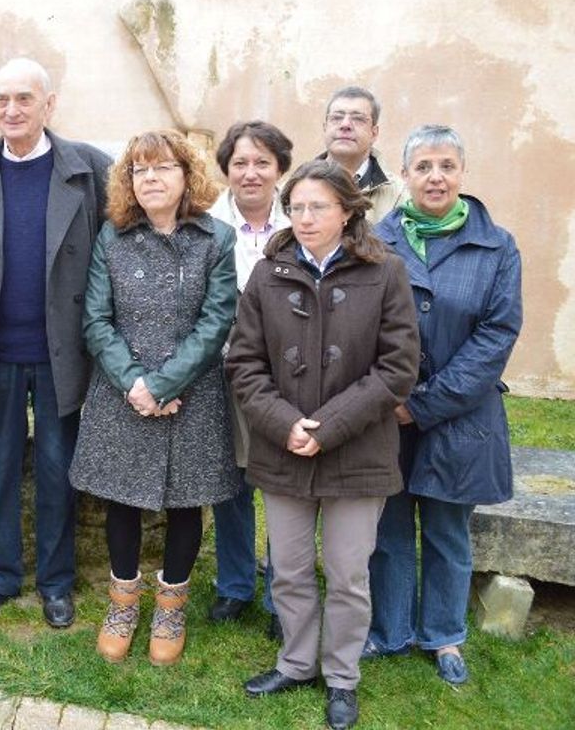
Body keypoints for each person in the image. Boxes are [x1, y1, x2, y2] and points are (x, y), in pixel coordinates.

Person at [226, 160, 420, 730]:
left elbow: (397, 368)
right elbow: (244, 362)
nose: (305, 218)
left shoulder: (386, 272)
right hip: (282, 448)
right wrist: (285, 423)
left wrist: (328, 427)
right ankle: (295, 663)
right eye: (298, 208)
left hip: (356, 451)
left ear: (347, 211)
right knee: (286, 568)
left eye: (318, 207)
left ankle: (341, 677)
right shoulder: (268, 273)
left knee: (346, 573)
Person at [0, 57, 111, 628]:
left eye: (23, 99)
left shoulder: (89, 168)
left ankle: (56, 581)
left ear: (49, 104)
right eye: (1, 99)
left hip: (61, 348)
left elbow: (107, 259)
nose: (11, 110)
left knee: (57, 466)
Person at [69, 130, 240, 665]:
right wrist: (136, 384)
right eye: (140, 171)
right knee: (122, 499)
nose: (151, 179)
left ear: (187, 176)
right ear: (128, 182)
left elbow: (217, 321)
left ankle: (171, 604)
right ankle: (123, 601)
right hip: (122, 392)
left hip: (193, 393)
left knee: (186, 501)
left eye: (163, 168)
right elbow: (96, 320)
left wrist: (164, 384)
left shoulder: (217, 238)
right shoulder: (112, 237)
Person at [366, 125, 522, 685]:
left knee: (447, 529)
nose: (436, 176)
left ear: (462, 173)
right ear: (405, 176)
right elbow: (363, 326)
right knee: (387, 527)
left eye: (447, 166)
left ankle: (444, 635)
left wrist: (423, 404)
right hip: (387, 414)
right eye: (424, 166)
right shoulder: (375, 242)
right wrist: (390, 397)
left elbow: (496, 338)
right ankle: (389, 628)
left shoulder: (497, 245)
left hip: (460, 415)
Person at [206, 121, 293, 638]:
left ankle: (283, 593)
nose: (251, 172)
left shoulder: (301, 217)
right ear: (227, 170)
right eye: (240, 162)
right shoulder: (208, 222)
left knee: (283, 486)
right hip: (222, 371)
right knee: (229, 485)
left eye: (262, 162)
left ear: (280, 168)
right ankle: (235, 584)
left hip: (288, 376)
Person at [318, 86, 406, 221]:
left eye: (358, 119)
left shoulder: (399, 194)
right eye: (337, 117)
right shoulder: (296, 188)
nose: (345, 124)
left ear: (374, 133)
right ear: (325, 128)